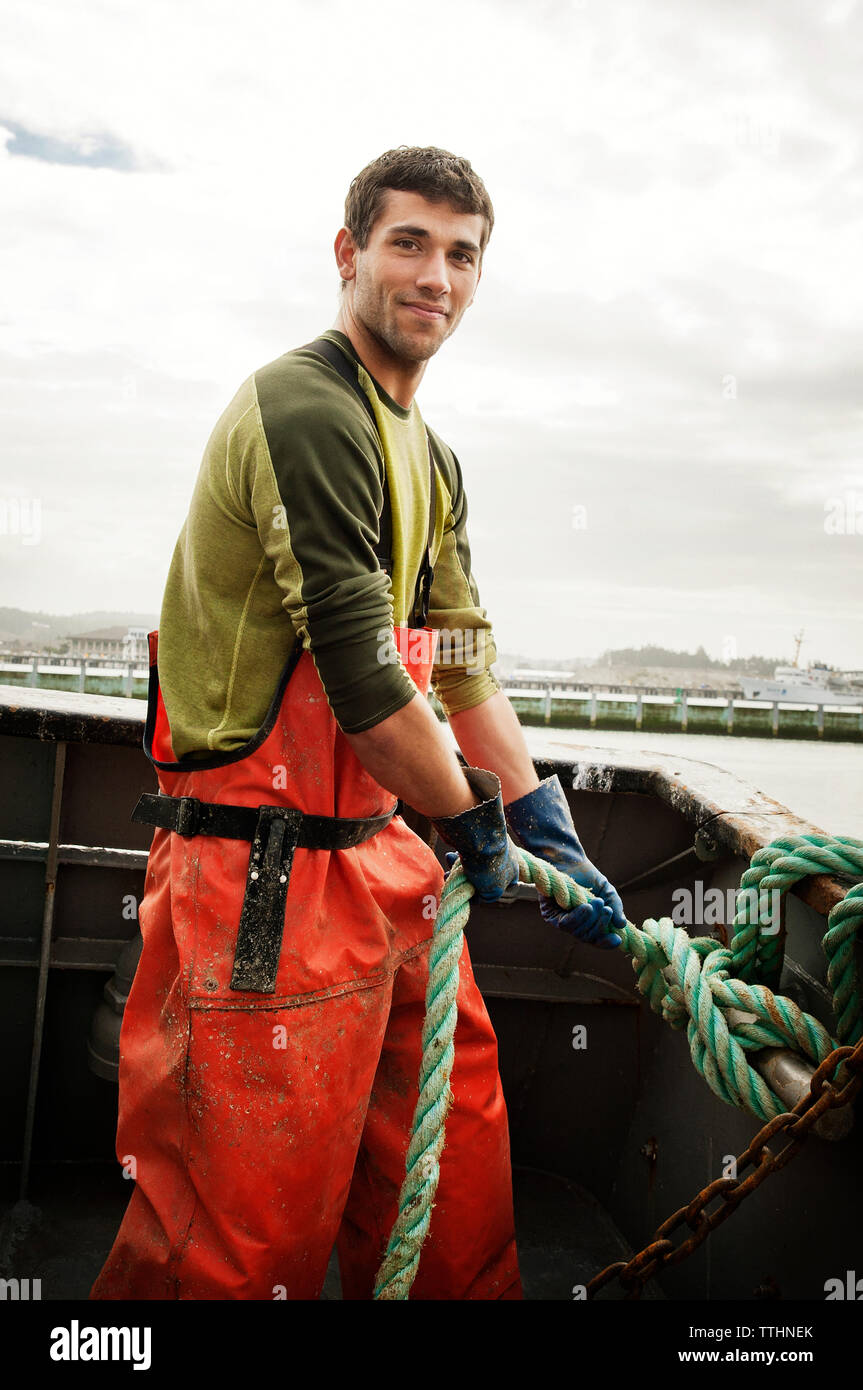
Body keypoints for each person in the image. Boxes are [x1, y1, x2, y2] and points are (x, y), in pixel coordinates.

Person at [91, 145, 627, 1302]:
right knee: (240, 1244)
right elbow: (370, 685)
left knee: (450, 1185)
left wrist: (540, 815)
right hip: (260, 880)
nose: (434, 274)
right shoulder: (304, 405)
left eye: (461, 254)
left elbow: (461, 663)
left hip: (386, 862)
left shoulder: (431, 457)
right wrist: (480, 833)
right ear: (348, 255)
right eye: (407, 243)